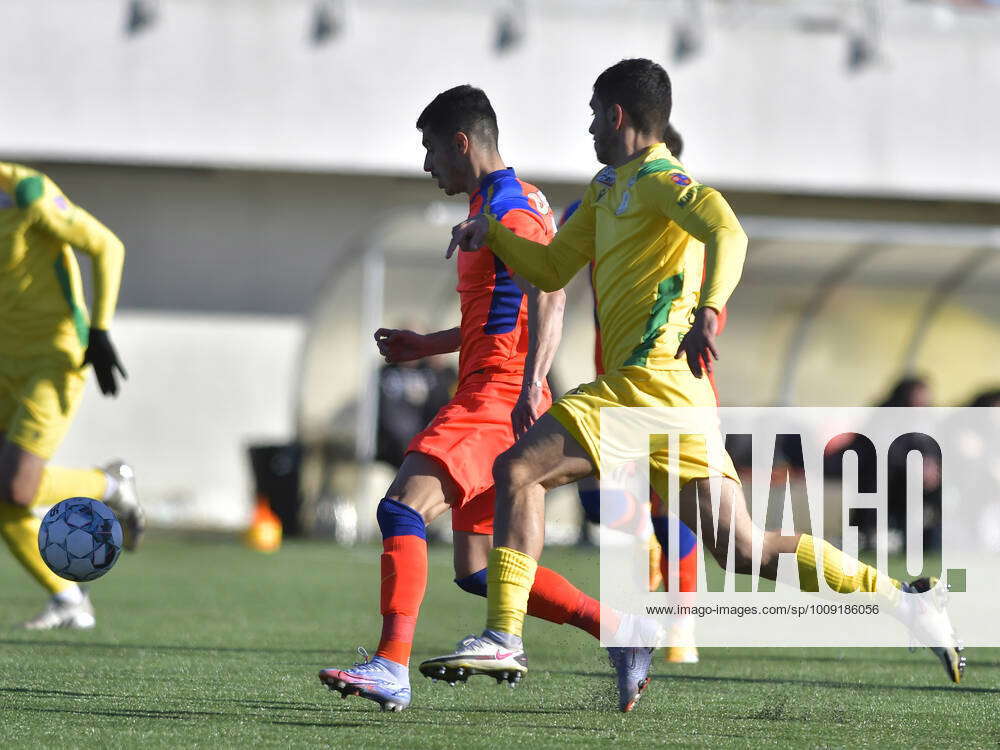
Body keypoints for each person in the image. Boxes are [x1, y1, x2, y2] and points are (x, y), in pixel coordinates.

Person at [423, 58, 965, 698]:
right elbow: (551, 268)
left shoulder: (659, 179)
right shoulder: (606, 189)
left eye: (594, 113)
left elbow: (726, 229)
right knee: (744, 550)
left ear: (617, 114)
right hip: (676, 400)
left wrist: (709, 310)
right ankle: (908, 600)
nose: (589, 126)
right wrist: (493, 233)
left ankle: (504, 638)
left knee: (518, 470)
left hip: (647, 385)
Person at [317, 86, 658, 714]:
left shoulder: (509, 209)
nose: (427, 165)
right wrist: (428, 345)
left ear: (462, 143)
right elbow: (497, 316)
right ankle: (622, 631)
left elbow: (549, 293)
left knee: (400, 510)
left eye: (430, 149)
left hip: (495, 397)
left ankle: (391, 666)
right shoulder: (502, 202)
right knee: (479, 569)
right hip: (492, 386)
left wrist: (532, 382)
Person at [569, 122, 703, 664]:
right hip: (616, 384)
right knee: (600, 498)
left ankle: (680, 632)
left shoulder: (679, 225)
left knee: (683, 513)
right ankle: (649, 562)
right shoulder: (611, 211)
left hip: (668, 388)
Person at [0, 162, 144, 630]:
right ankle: (68, 600)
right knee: (3, 496)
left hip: (53, 358)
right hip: (4, 360)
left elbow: (107, 246)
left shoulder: (27, 191)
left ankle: (110, 486)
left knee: (17, 488)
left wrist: (99, 328)